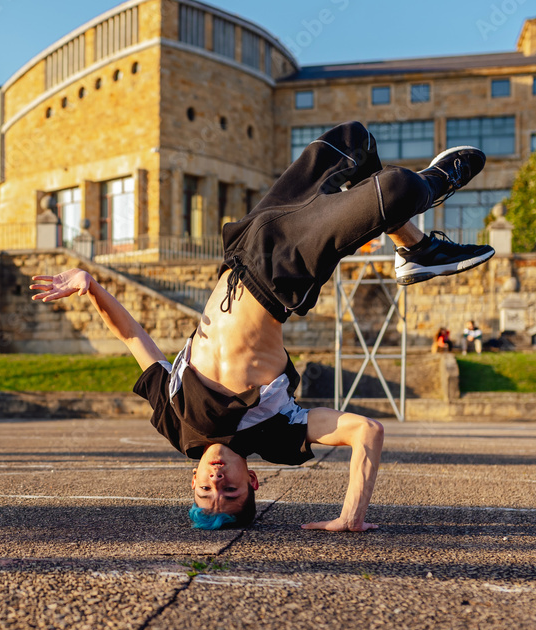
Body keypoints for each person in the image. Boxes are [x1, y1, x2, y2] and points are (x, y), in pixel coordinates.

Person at [31, 121, 495, 532]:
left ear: (192, 479)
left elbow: (135, 338)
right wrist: (352, 514)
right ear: (252, 481)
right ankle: (434, 188)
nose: (217, 482)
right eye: (231, 493)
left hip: (245, 248)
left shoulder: (174, 423)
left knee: (352, 140)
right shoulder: (276, 431)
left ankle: (414, 248)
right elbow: (366, 432)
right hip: (284, 273)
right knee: (394, 189)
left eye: (205, 491)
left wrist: (90, 286)